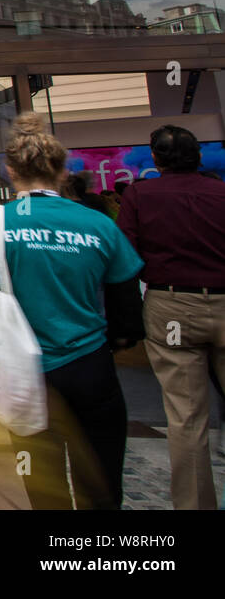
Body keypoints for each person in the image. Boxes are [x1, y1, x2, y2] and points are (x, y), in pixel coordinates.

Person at [0, 113, 143, 510]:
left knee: (43, 487)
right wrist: (112, 341)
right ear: (62, 170)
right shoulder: (98, 224)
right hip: (91, 366)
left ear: (10, 170)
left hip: (24, 374)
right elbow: (128, 312)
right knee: (101, 482)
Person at [116, 125, 225, 510]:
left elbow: (124, 260)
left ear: (156, 160)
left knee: (186, 416)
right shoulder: (220, 192)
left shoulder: (140, 195)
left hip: (172, 304)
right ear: (197, 157)